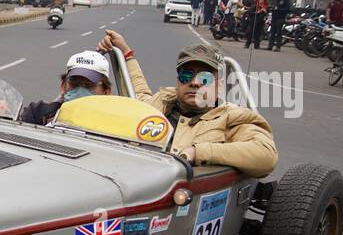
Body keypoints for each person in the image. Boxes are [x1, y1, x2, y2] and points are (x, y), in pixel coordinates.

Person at [99, 33, 278, 176]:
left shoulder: (232, 117)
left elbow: (266, 155)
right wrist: (125, 52)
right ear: (178, 82)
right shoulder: (161, 102)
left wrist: (197, 152)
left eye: (204, 78)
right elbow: (138, 92)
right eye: (186, 76)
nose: (194, 83)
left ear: (220, 85)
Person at [20, 50, 114, 125]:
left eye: (89, 85)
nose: (80, 91)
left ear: (106, 91)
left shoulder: (114, 124)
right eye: (74, 83)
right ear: (63, 86)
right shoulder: (38, 113)